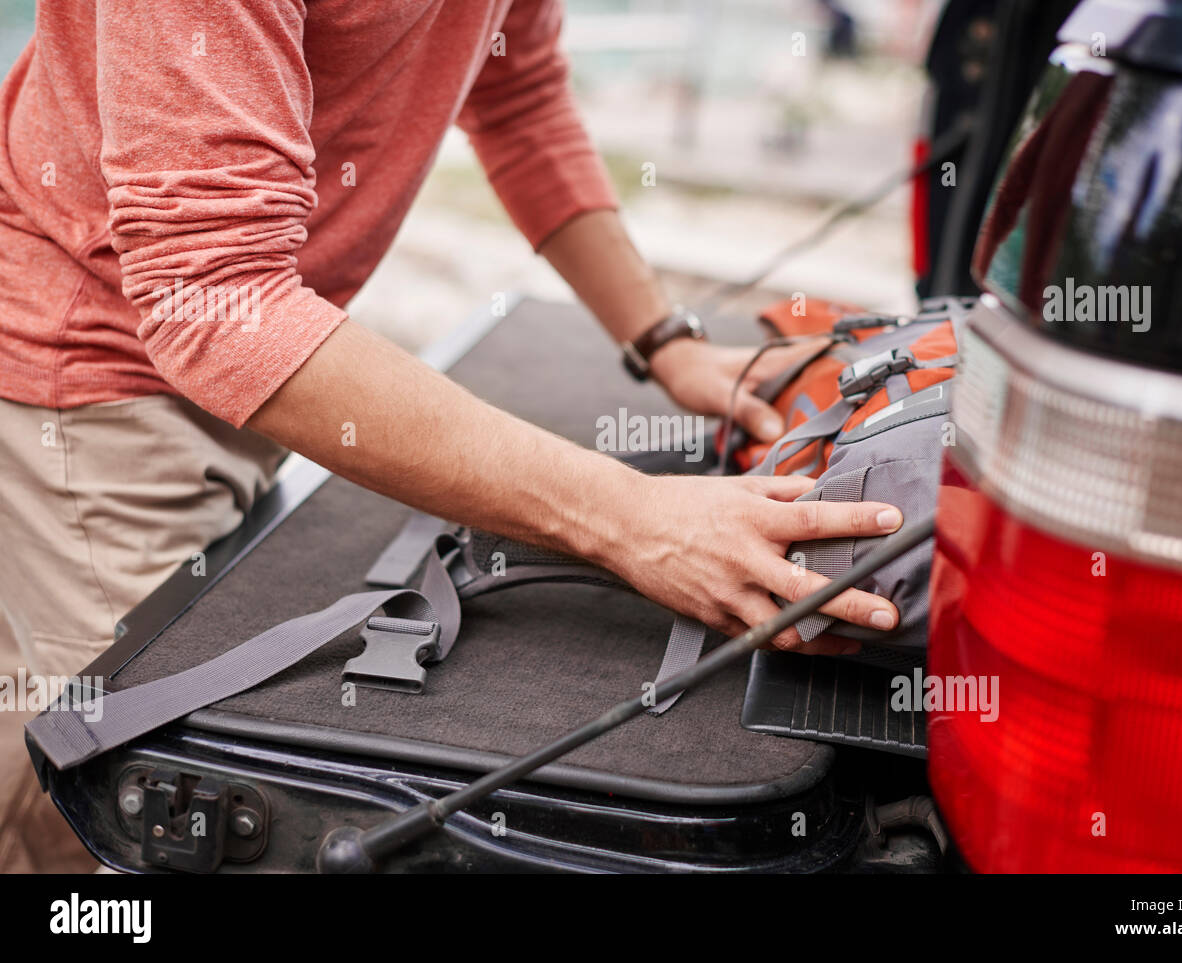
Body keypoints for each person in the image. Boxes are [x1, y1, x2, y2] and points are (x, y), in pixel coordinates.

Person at [0, 0, 904, 873]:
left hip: (256, 371)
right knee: (113, 800)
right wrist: (634, 518)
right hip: (90, 377)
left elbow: (520, 95)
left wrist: (664, 341)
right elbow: (218, 299)